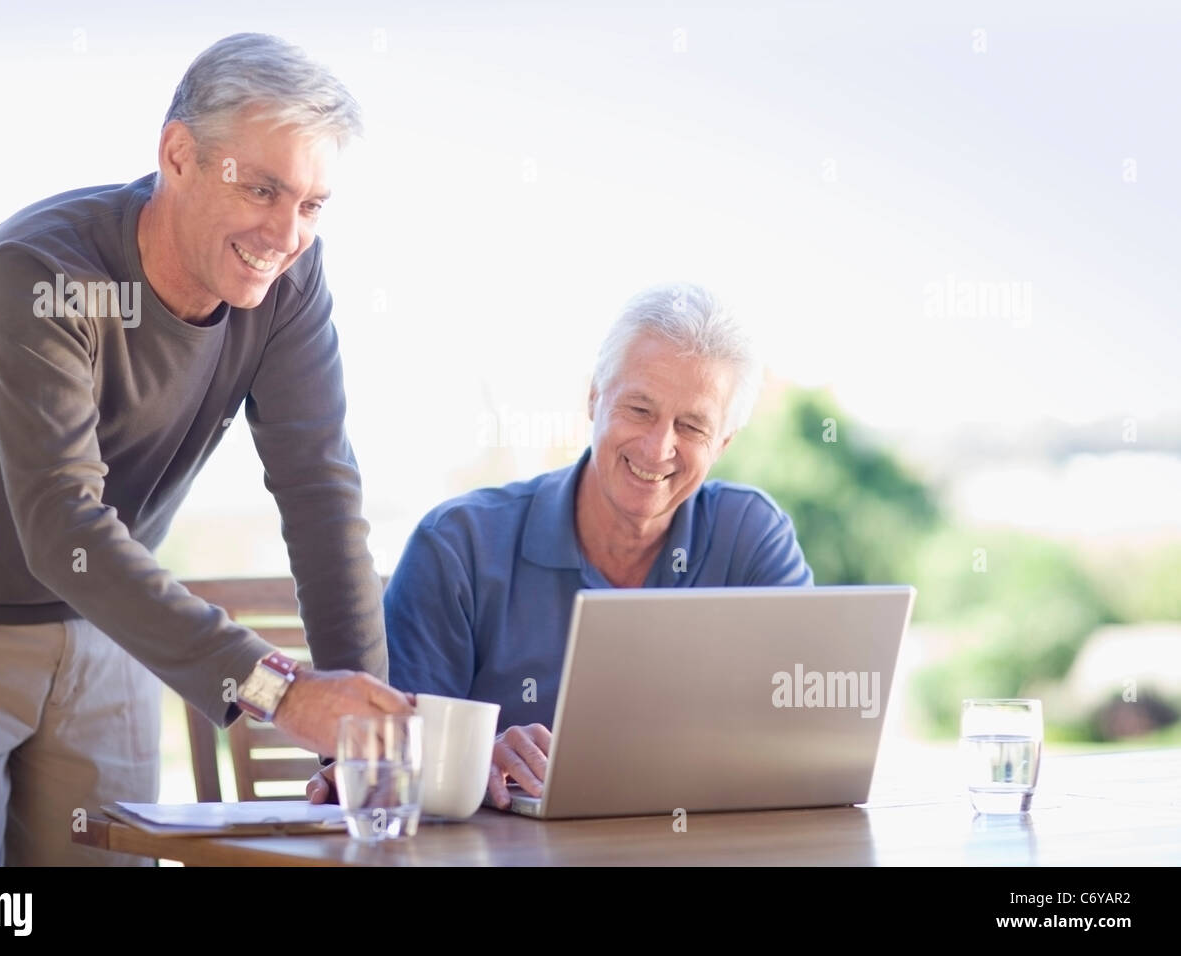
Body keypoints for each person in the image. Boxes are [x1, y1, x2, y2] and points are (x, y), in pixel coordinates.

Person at [0, 33, 410, 866]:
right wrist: (281, 690)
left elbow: (320, 495)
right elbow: (62, 525)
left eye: (311, 204)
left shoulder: (290, 284)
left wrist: (356, 737)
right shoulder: (41, 273)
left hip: (109, 621)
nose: (286, 232)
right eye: (264, 189)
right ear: (178, 154)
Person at [307, 282, 813, 811]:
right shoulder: (459, 545)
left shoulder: (752, 536)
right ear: (594, 397)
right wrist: (478, 758)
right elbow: (387, 758)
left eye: (691, 426)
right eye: (639, 409)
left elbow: (802, 725)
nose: (658, 447)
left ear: (723, 443)